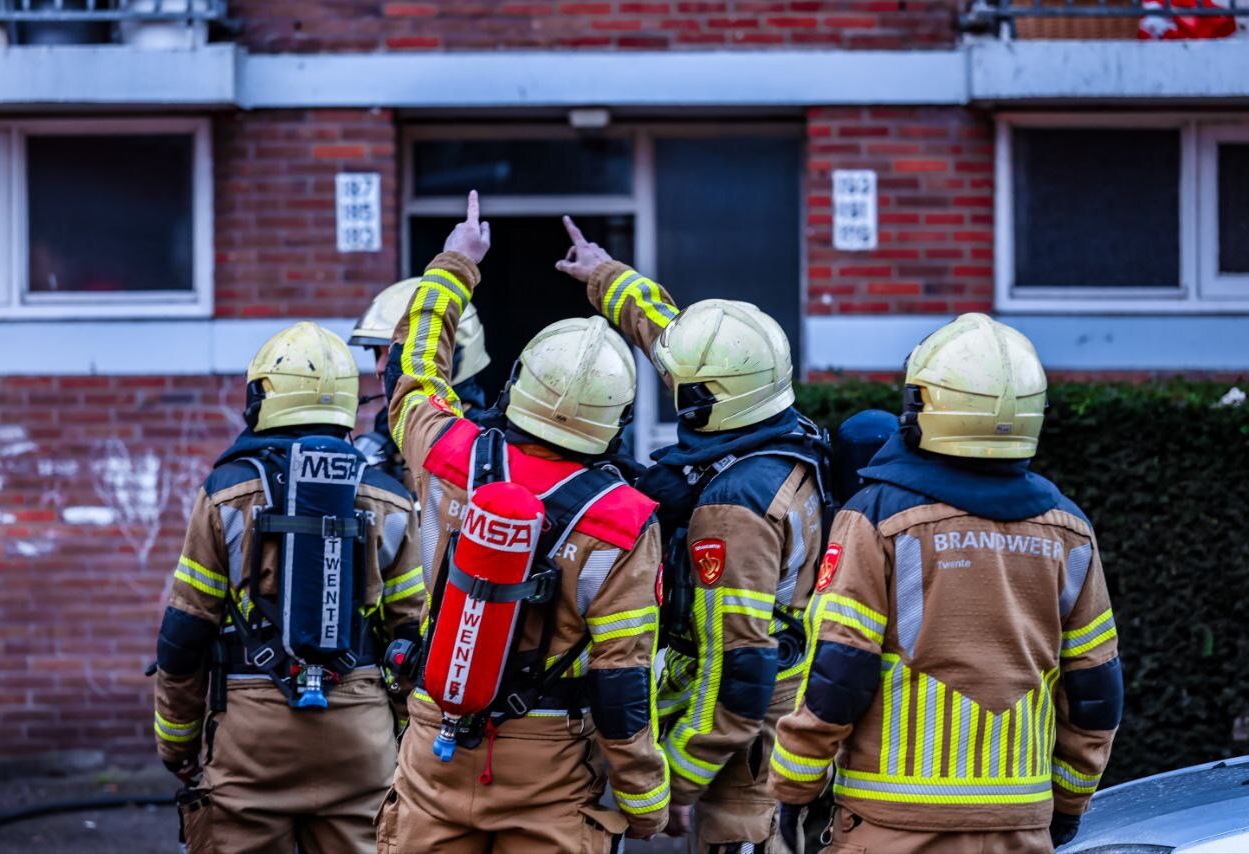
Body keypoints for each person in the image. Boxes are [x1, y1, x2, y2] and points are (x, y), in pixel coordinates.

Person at [377, 192, 670, 852]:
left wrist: (456, 264)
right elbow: (622, 683)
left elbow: (414, 372)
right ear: (615, 423)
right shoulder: (626, 522)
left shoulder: (445, 453)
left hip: (437, 742)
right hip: (551, 769)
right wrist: (645, 803)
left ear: (516, 387)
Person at [769, 313, 1123, 854]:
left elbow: (839, 672)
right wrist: (1068, 804)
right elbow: (1097, 690)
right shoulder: (1069, 530)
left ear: (922, 406)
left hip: (893, 824)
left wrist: (794, 789)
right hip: (1019, 826)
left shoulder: (877, 517)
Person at [556, 217, 832, 853]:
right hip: (774, 700)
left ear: (706, 399)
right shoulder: (774, 425)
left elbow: (736, 674)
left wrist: (672, 786)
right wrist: (604, 274)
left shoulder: (732, 508)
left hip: (745, 744)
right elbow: (671, 335)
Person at [152, 321, 422, 854]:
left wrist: (176, 743)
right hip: (360, 736)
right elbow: (414, 636)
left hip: (251, 742)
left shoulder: (226, 495)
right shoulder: (390, 499)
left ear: (262, 398)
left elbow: (185, 634)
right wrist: (397, 737)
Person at [350, 276, 492, 489]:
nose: (380, 368)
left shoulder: (485, 451)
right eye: (377, 354)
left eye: (394, 354)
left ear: (450, 357)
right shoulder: (377, 445)